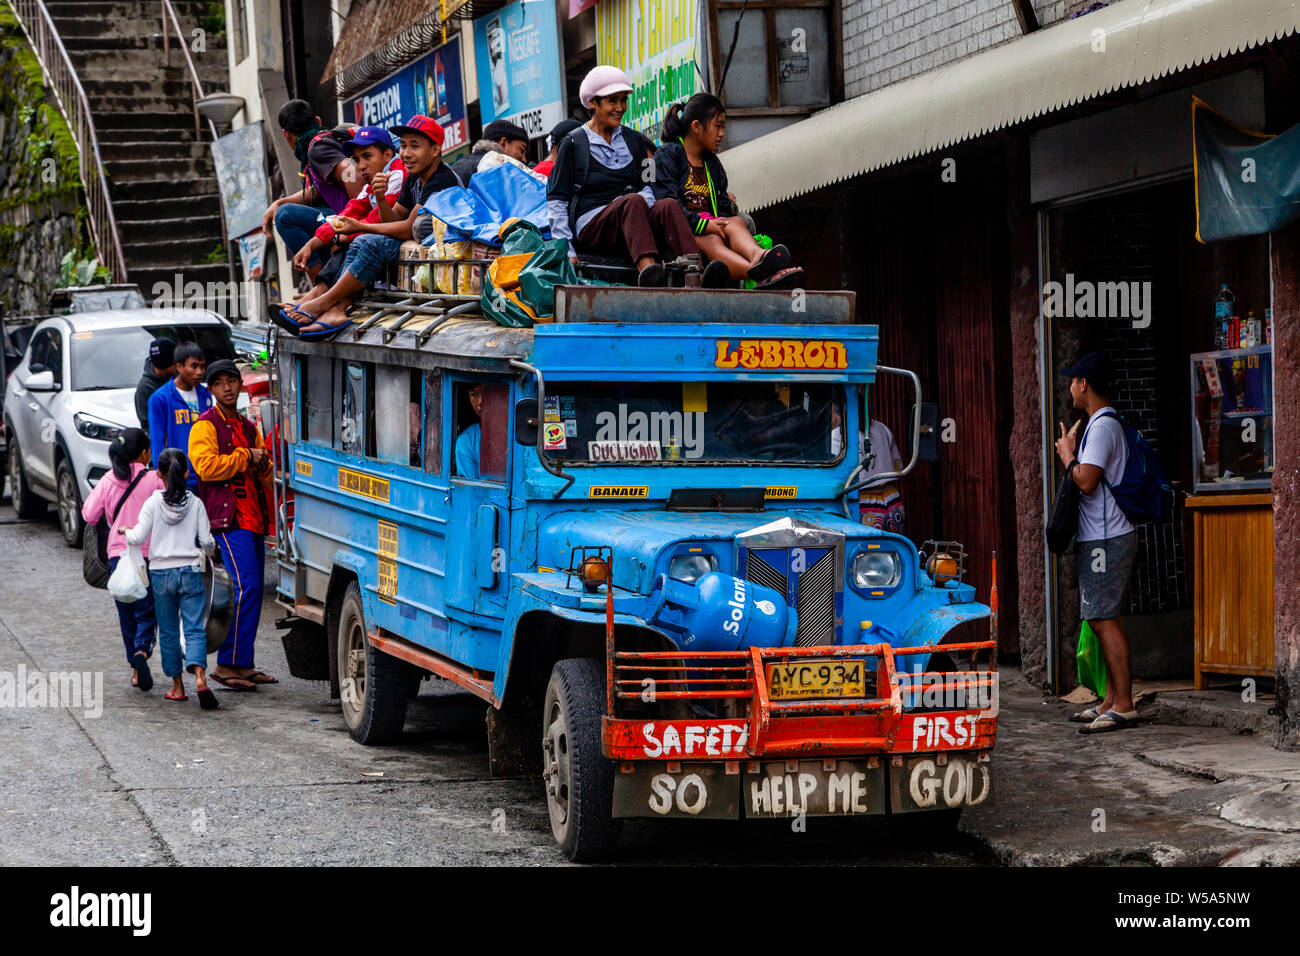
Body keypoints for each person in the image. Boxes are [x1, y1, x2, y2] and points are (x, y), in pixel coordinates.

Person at [282, 115, 462, 340]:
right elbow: (390, 217)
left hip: (440, 251)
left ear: (435, 150)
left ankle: (325, 301)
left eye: (414, 146)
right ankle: (335, 307)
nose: (406, 153)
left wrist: (358, 227)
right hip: (412, 244)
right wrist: (379, 198)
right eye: (404, 145)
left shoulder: (439, 179)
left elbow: (406, 229)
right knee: (361, 241)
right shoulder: (413, 178)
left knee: (368, 241)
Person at [546, 65, 697, 287]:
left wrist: (651, 211)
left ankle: (696, 274)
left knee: (668, 205)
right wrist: (566, 250)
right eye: (612, 101)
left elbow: (650, 184)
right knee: (632, 201)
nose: (620, 107)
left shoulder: (637, 140)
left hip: (633, 217)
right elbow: (557, 201)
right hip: (592, 226)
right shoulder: (571, 144)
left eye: (623, 100)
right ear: (593, 103)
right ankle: (649, 274)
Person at [1053, 352, 1139, 734]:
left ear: (1084, 385)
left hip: (1107, 537)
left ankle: (1124, 703)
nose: (1070, 386)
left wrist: (1068, 457)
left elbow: (1086, 481)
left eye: (1073, 380)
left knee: (1103, 619)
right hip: (1099, 536)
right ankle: (1109, 698)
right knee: (1104, 616)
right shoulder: (1096, 424)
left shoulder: (1103, 426)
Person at [189, 360, 277, 691]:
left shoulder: (247, 426)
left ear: (240, 386)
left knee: (251, 589)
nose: (227, 387)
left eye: (232, 381)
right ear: (210, 389)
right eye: (219, 383)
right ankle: (227, 664)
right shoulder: (205, 426)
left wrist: (263, 460)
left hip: (253, 518)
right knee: (247, 587)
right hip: (229, 519)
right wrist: (246, 457)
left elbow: (266, 476)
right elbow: (205, 468)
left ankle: (243, 663)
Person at [655, 93, 802, 289]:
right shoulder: (667, 155)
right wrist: (705, 225)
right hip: (683, 229)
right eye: (718, 126)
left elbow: (722, 206)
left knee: (738, 221)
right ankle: (757, 273)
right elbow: (667, 202)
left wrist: (721, 222)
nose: (722, 133)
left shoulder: (712, 164)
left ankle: (759, 256)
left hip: (712, 224)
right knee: (713, 238)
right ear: (696, 127)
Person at [121, 448, 218, 709]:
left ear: (159, 474)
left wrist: (126, 531)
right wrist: (207, 550)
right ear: (187, 473)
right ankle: (200, 678)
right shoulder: (195, 503)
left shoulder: (153, 503)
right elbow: (207, 542)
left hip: (161, 574)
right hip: (190, 571)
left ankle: (177, 688)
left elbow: (138, 538)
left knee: (168, 631)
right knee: (195, 628)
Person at [284, 126, 407, 320]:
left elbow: (378, 220)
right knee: (350, 241)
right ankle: (320, 294)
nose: (361, 166)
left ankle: (326, 300)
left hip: (394, 242)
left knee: (358, 241)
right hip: (380, 240)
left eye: (367, 156)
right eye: (357, 160)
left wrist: (343, 236)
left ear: (388, 153)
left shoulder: (397, 173)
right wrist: (314, 242)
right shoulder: (373, 181)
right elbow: (351, 211)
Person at [81, 429, 164, 692]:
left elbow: (89, 515)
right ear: (143, 453)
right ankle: (142, 651)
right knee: (147, 611)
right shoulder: (154, 479)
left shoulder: (108, 479)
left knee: (126, 612)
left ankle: (135, 669)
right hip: (149, 556)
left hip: (118, 556)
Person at [261, 99, 365, 283]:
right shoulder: (324, 140)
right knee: (284, 209)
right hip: (349, 216)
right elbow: (317, 192)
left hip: (353, 219)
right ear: (317, 119)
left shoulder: (318, 147)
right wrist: (279, 202)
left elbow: (350, 171)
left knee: (285, 217)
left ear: (286, 134)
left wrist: (355, 220)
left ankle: (323, 287)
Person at [147, 342, 211, 474]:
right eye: (194, 366)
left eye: (202, 367)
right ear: (179, 366)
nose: (199, 372)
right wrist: (161, 473)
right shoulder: (160, 399)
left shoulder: (205, 394)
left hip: (204, 470)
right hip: (177, 474)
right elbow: (157, 440)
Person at [846, 417, 905, 533]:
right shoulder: (882, 428)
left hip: (864, 502)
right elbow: (898, 467)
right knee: (892, 547)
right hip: (892, 499)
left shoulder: (840, 434)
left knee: (868, 548)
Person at [452, 119, 529, 185]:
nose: (524, 159)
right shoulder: (492, 169)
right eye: (521, 150)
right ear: (503, 143)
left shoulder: (459, 165)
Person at [135, 338, 175, 431]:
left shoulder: (180, 378)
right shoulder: (145, 388)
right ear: (165, 364)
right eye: (175, 360)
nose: (179, 364)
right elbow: (147, 426)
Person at [455, 384, 482, 479]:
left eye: (487, 393)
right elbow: (471, 489)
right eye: (474, 394)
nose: (480, 402)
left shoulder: (515, 434)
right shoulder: (467, 441)